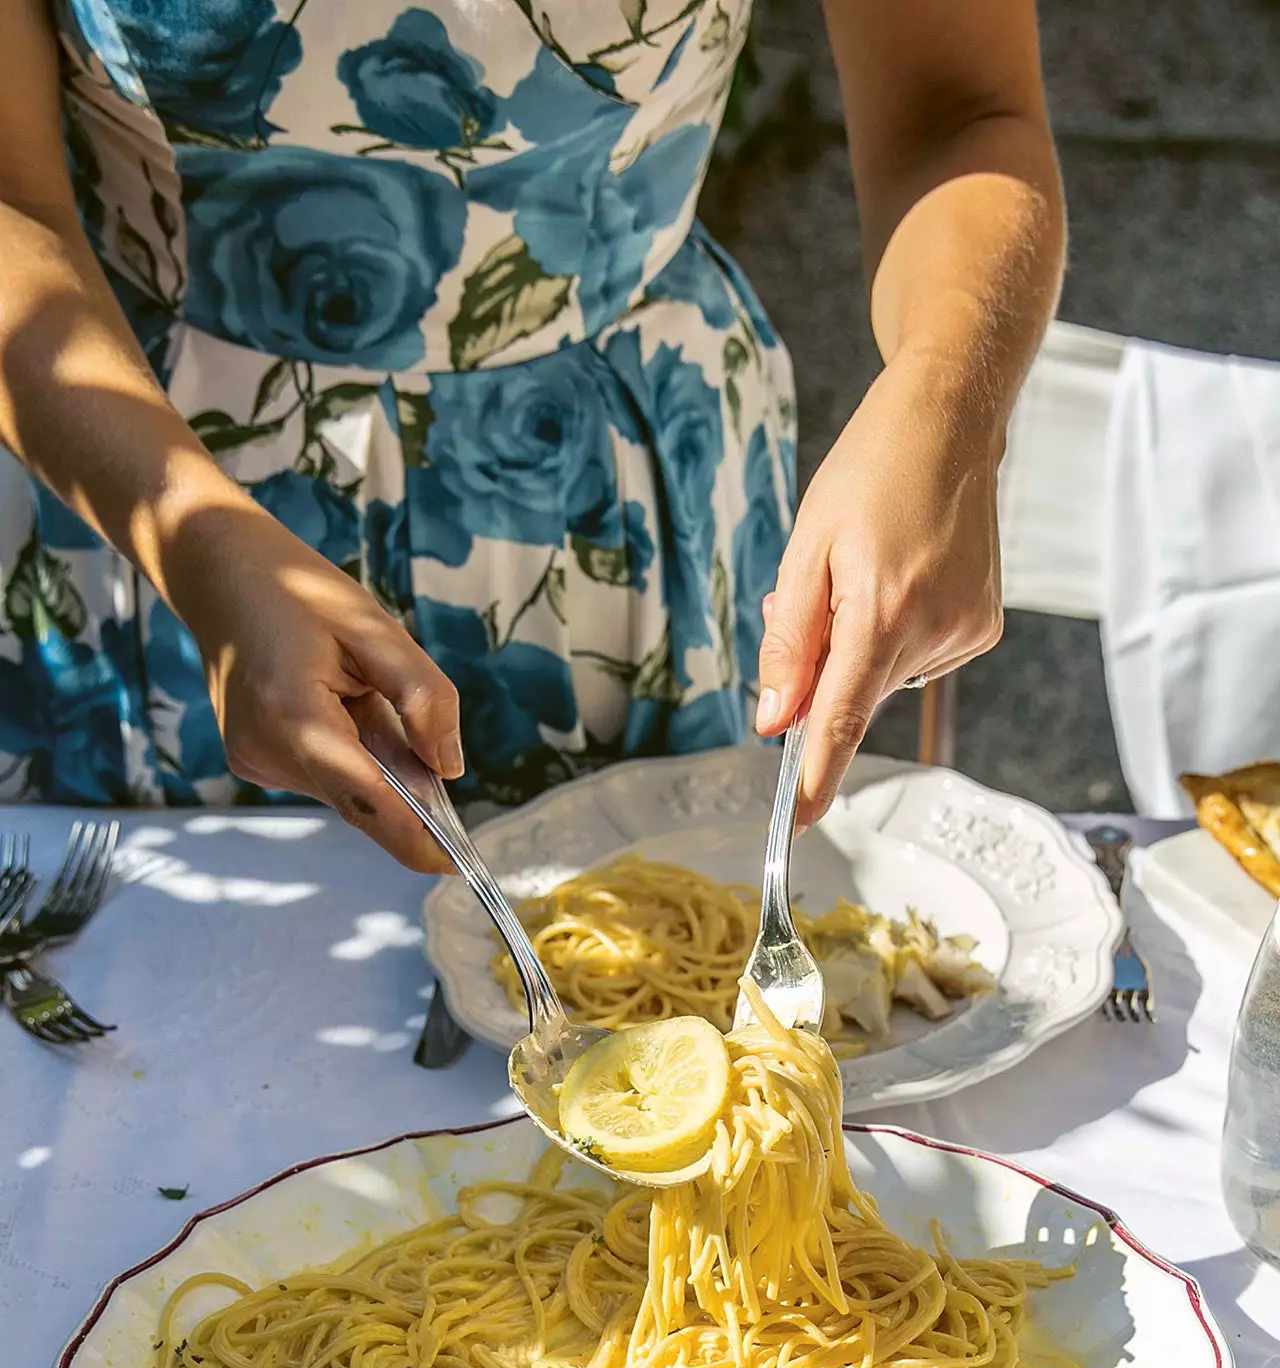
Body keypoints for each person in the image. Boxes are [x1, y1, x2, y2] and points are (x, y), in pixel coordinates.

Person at [0, 2, 1063, 871]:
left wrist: (946, 404)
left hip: (630, 501)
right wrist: (190, 535)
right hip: (139, 482)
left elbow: (956, 108)